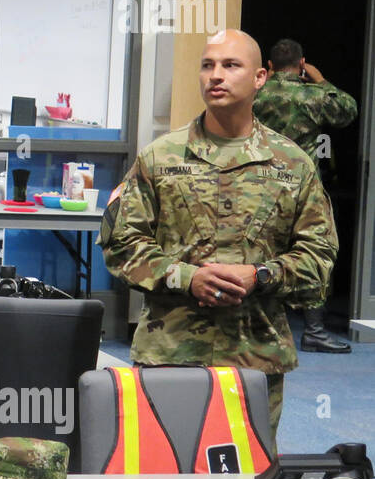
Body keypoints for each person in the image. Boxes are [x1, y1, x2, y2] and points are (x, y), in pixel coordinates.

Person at [99, 29, 338, 436]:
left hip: (255, 357)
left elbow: (319, 256)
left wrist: (261, 276)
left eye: (231, 65)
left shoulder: (292, 164)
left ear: (261, 77)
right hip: (170, 354)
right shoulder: (160, 157)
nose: (216, 75)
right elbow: (121, 244)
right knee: (163, 476)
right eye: (208, 65)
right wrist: (188, 278)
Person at [253, 38, 358, 352]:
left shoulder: (256, 92)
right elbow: (348, 110)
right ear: (301, 65)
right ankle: (313, 330)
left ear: (269, 66)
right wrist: (320, 79)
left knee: (260, 251)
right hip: (303, 189)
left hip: (259, 186)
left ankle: (257, 328)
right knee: (315, 251)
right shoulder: (314, 95)